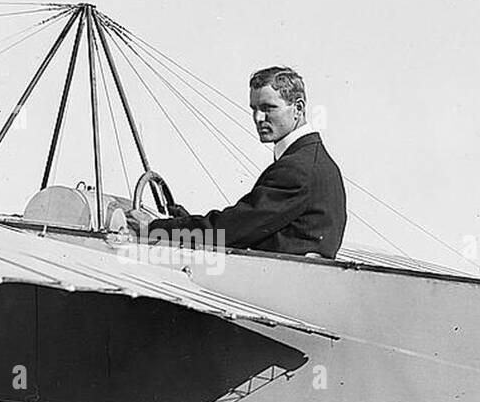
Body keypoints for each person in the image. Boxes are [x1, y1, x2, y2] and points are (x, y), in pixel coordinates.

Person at [144, 66, 347, 258]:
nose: (258, 118)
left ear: (298, 107)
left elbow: (231, 231)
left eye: (268, 108)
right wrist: (182, 221)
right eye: (254, 108)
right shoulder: (312, 159)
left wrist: (154, 228)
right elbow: (252, 227)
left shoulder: (297, 168)